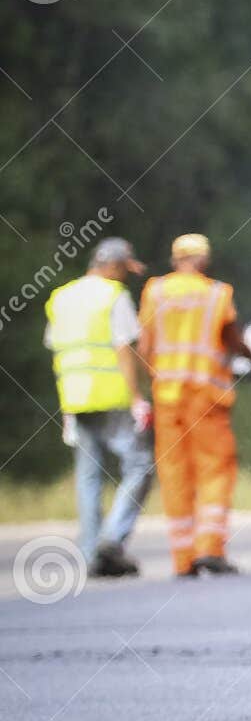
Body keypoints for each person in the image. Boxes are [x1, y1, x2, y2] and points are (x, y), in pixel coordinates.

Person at [138, 233, 251, 577]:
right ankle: (210, 550)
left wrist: (150, 385)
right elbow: (232, 338)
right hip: (205, 397)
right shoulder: (216, 293)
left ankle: (183, 558)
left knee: (174, 473)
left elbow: (144, 345)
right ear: (203, 260)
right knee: (214, 469)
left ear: (175, 259)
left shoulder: (154, 291)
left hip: (168, 396)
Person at [43, 238, 155, 577]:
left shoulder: (61, 297)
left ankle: (91, 555)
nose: (125, 277)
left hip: (75, 398)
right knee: (140, 465)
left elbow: (56, 347)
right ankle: (111, 539)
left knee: (88, 476)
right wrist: (137, 396)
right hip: (111, 396)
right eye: (125, 269)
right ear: (115, 265)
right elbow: (124, 347)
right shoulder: (112, 296)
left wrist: (65, 405)